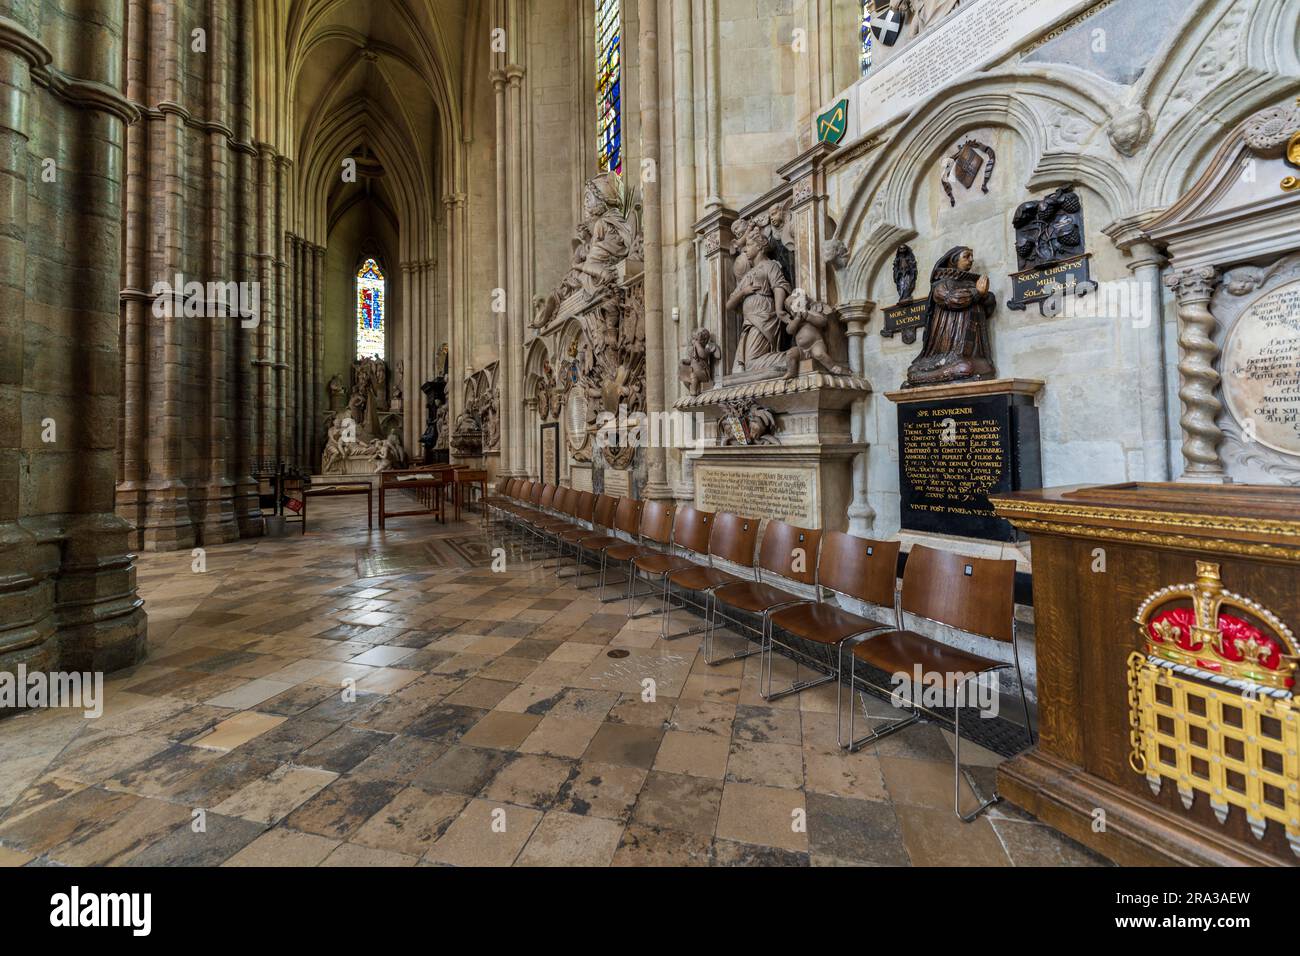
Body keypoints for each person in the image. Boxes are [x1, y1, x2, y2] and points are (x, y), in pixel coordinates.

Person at [905, 245, 996, 387]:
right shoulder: (943, 283)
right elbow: (952, 299)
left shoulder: (973, 283)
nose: (971, 260)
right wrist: (977, 293)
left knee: (986, 367)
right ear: (953, 261)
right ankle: (931, 373)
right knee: (964, 368)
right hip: (949, 346)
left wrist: (985, 296)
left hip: (974, 347)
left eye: (971, 256)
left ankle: (955, 368)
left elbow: (988, 308)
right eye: (966, 256)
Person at [728, 231, 792, 374]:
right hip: (749, 322)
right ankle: (785, 358)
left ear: (760, 247)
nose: (745, 249)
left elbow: (779, 285)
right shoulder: (748, 275)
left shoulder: (769, 265)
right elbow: (729, 304)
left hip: (764, 317)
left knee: (751, 363)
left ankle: (790, 357)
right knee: (738, 369)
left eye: (749, 245)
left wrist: (780, 309)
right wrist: (743, 292)